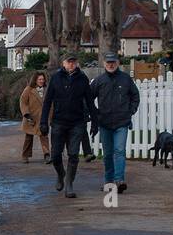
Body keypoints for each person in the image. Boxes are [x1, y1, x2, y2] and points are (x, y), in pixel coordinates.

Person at [39, 53, 95, 198]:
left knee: (73, 154)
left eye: (74, 62)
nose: (71, 64)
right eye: (69, 62)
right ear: (63, 63)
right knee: (56, 155)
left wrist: (95, 122)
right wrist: (43, 122)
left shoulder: (82, 79)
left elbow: (89, 102)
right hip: (58, 122)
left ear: (76, 63)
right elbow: (47, 102)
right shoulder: (56, 78)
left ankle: (69, 184)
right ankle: (60, 174)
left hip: (76, 122)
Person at [89, 52, 140, 193]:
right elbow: (88, 99)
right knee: (107, 154)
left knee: (120, 151)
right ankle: (108, 182)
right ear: (104, 64)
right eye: (108, 62)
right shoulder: (99, 81)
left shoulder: (126, 80)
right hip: (104, 122)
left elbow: (135, 96)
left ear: (117, 63)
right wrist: (96, 113)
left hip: (122, 122)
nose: (111, 64)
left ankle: (119, 180)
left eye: (113, 62)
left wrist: (130, 111)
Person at [18, 71, 50, 163]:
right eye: (40, 79)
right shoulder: (28, 89)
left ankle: (47, 155)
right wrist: (26, 114)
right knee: (28, 137)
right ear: (35, 80)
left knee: (44, 136)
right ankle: (25, 156)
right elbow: (23, 102)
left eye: (43, 79)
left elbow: (51, 104)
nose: (41, 81)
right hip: (31, 118)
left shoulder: (47, 90)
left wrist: (51, 117)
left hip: (43, 118)